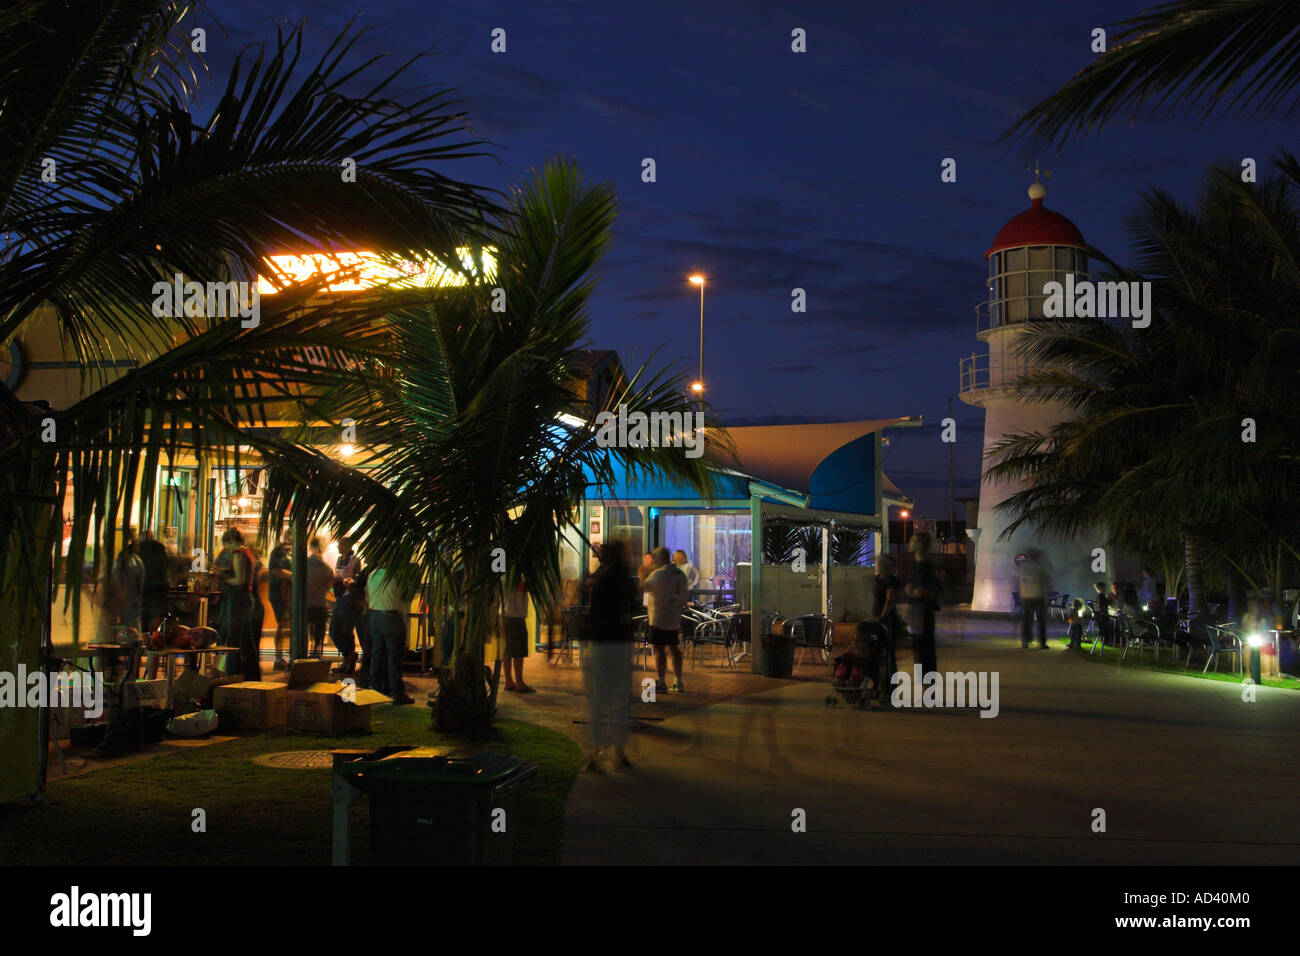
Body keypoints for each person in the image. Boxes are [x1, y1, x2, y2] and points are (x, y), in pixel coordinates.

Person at [584, 542, 638, 770]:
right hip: (620, 643)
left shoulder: (600, 579)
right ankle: (619, 753)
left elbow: (592, 610)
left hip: (601, 643)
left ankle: (595, 754)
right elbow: (633, 607)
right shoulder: (625, 578)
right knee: (620, 701)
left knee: (598, 700)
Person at [214, 527, 261, 680]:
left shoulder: (238, 553)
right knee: (247, 641)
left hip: (238, 600)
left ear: (229, 541)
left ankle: (234, 674)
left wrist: (222, 578)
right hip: (245, 600)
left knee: (234, 640)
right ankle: (251, 676)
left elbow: (239, 580)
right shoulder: (247, 553)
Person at [366, 564, 414, 703]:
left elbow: (368, 596)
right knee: (394, 657)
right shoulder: (397, 575)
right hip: (392, 618)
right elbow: (405, 595)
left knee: (377, 655)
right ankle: (397, 692)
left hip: (375, 617)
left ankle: (375, 688)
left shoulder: (372, 574)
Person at [645, 546, 689, 693]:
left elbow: (643, 587)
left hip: (658, 618)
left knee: (659, 650)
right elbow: (684, 597)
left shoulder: (657, 574)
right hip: (674, 619)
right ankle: (678, 680)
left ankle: (662, 681)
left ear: (659, 558)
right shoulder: (680, 574)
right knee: (674, 649)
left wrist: (642, 573)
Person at [905, 533, 940, 674]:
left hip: (920, 614)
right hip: (924, 613)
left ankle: (926, 692)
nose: (909, 542)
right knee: (925, 652)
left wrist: (910, 591)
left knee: (921, 652)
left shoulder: (921, 567)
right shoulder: (927, 566)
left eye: (912, 540)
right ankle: (928, 691)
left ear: (918, 545)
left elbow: (923, 591)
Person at [330, 536, 364, 674]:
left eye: (341, 545)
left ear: (348, 546)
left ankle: (348, 661)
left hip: (349, 600)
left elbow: (356, 579)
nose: (338, 547)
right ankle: (348, 655)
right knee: (334, 630)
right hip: (340, 598)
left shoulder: (355, 560)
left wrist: (348, 582)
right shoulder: (339, 560)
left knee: (346, 631)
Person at [500, 576, 534, 693]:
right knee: (518, 650)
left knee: (508, 649)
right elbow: (522, 588)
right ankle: (518, 682)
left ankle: (509, 681)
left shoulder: (503, 569)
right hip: (515, 615)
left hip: (507, 613)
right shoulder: (513, 575)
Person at [871, 554, 902, 680]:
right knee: (877, 649)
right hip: (878, 620)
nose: (877, 564)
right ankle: (880, 681)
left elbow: (890, 600)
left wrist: (882, 616)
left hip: (887, 621)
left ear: (885, 565)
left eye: (880, 562)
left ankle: (891, 684)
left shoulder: (890, 581)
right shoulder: (878, 579)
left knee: (889, 653)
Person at [111, 528, 145, 635]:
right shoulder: (127, 559)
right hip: (129, 598)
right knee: (131, 626)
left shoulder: (133, 559)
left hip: (132, 598)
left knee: (133, 624)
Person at [268, 531, 293, 670]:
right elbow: (275, 571)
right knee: (283, 624)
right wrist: (293, 575)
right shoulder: (279, 552)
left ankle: (284, 657)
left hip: (288, 594)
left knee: (287, 625)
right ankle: (278, 658)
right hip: (280, 593)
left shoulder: (290, 552)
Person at [138, 530, 171, 634]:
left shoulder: (137, 549)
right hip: (158, 591)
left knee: (142, 621)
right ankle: (153, 642)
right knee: (156, 624)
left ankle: (144, 642)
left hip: (143, 591)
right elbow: (165, 566)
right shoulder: (159, 547)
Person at [305, 537, 333, 658]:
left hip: (305, 604)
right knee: (319, 637)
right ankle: (316, 658)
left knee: (304, 634)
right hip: (320, 604)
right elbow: (329, 587)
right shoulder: (327, 568)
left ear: (311, 548)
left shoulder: (303, 565)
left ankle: (301, 660)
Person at [1017, 551, 1050, 649]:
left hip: (1026, 596)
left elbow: (1020, 580)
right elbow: (1046, 583)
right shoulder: (1041, 568)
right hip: (1038, 595)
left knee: (1027, 620)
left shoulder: (1023, 568)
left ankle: (1025, 641)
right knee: (1041, 620)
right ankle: (1042, 642)